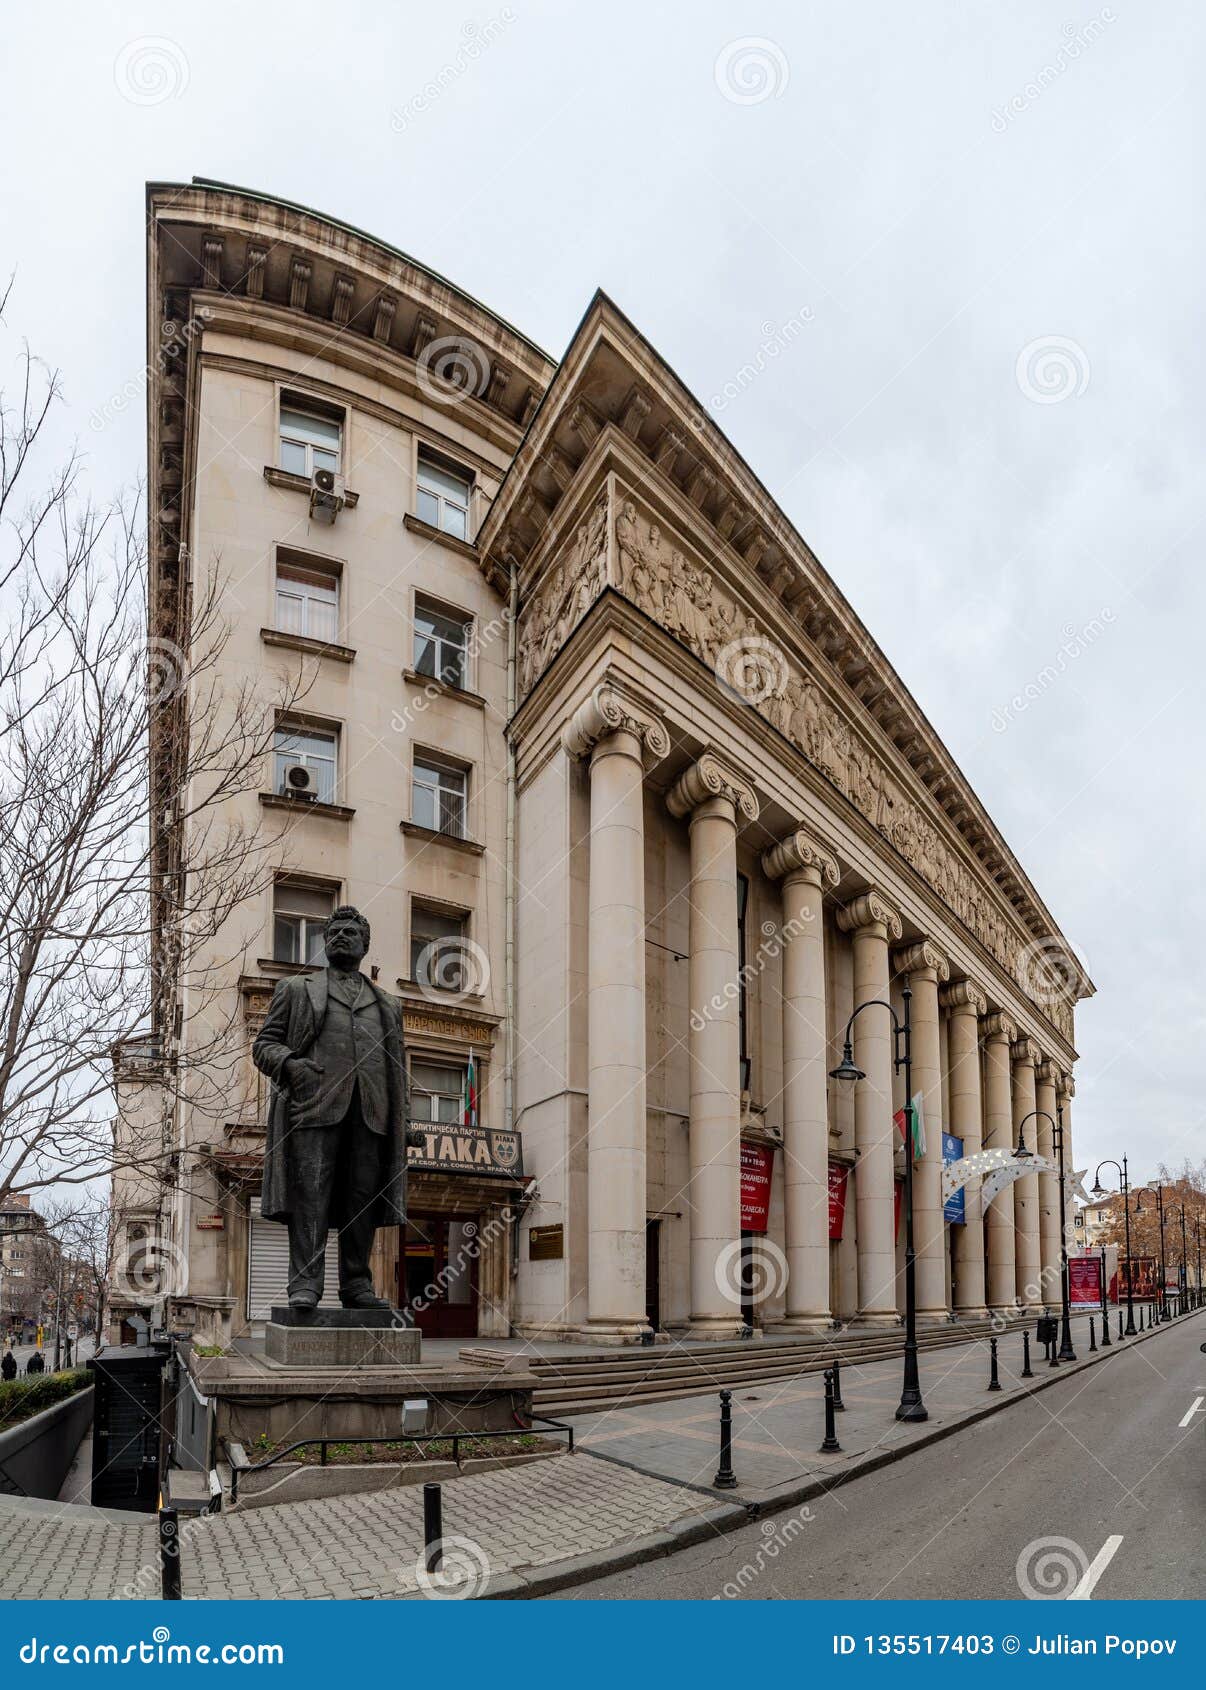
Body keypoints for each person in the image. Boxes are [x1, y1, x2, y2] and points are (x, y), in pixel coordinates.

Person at [252, 905, 409, 1312]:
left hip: (371, 1115)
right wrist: (290, 1065)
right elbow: (263, 1045)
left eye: (350, 932)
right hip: (313, 1109)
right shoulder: (296, 990)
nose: (340, 937)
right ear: (325, 942)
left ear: (365, 944)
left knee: (363, 1202)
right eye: (334, 932)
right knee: (311, 1199)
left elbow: (397, 1070)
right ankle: (305, 1285)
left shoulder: (388, 1004)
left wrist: (402, 1123)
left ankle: (356, 1285)